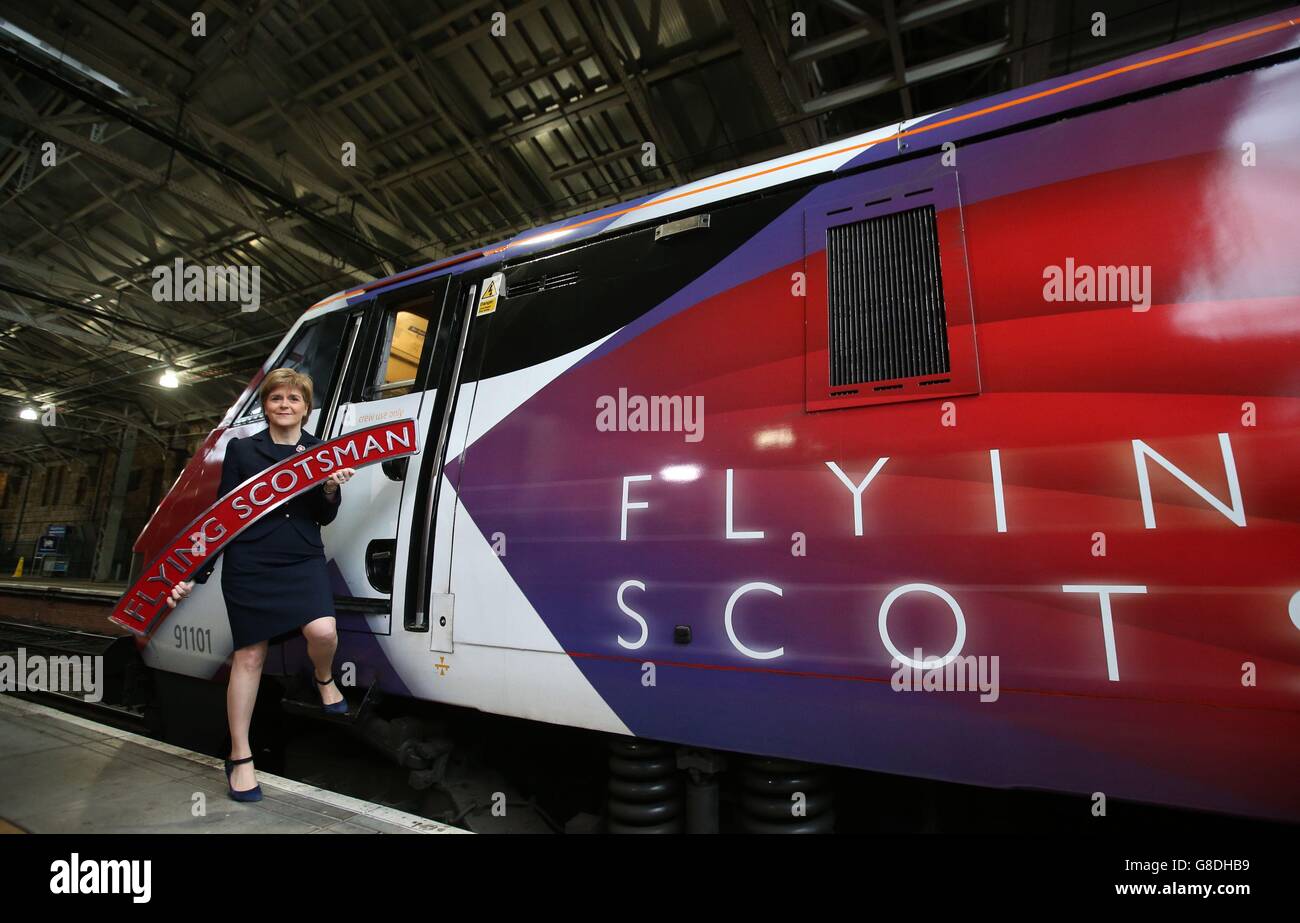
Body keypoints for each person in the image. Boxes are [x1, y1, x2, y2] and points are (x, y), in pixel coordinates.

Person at [166, 368, 356, 802]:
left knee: (324, 631)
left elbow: (323, 516)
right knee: (249, 656)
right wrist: (196, 574)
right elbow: (222, 515)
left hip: (301, 557)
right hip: (251, 562)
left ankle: (324, 679)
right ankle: (240, 755)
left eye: (294, 398)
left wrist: (329, 488)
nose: (285, 405)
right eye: (276, 399)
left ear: (307, 408)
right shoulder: (242, 450)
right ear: (267, 406)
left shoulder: (322, 452)